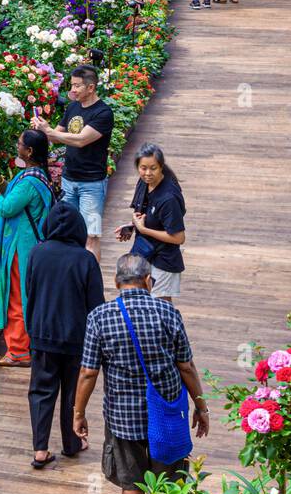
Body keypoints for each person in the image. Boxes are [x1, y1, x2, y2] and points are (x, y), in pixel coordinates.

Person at [75, 254, 209, 494]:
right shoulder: (168, 313)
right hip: (166, 413)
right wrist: (201, 408)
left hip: (123, 416)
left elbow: (88, 373)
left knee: (132, 483)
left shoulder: (99, 317)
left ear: (116, 282)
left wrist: (79, 413)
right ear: (148, 280)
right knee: (169, 483)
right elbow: (186, 367)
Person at [24, 203, 104, 468]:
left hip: (42, 335)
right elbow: (96, 305)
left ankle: (40, 449)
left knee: (41, 391)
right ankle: (72, 442)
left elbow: (29, 290)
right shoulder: (85, 259)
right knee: (72, 393)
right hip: (76, 339)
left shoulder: (37, 253)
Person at [0, 130, 54, 368]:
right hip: (29, 246)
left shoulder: (29, 181)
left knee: (17, 299)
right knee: (25, 296)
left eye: (20, 143)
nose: (17, 146)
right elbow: (11, 193)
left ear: (29, 151)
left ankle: (19, 351)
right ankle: (25, 346)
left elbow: (6, 207)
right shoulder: (36, 174)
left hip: (21, 249)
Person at [32, 64, 113, 262]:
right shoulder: (73, 107)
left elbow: (81, 140)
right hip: (69, 181)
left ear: (91, 87)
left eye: (77, 86)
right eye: (72, 85)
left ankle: (91, 276)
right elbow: (56, 136)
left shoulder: (103, 113)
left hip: (92, 184)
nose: (72, 90)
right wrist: (43, 129)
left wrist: (49, 132)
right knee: (67, 233)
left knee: (91, 235)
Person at [117, 143, 185, 302]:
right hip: (145, 254)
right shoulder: (143, 183)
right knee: (141, 301)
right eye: (143, 168)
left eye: (153, 168)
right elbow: (142, 213)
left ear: (161, 166)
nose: (147, 173)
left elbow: (179, 237)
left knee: (160, 306)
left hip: (164, 259)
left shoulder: (169, 198)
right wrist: (132, 226)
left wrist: (144, 230)